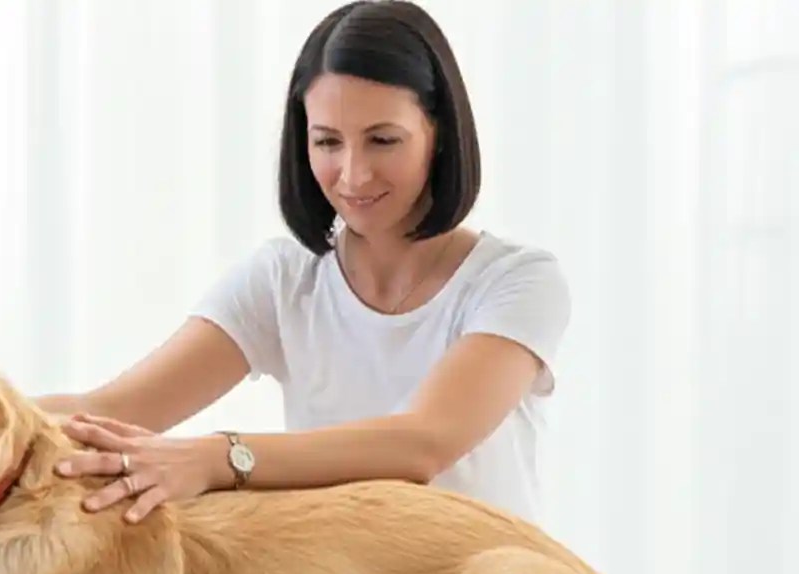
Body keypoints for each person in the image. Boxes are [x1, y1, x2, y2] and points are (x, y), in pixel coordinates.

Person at [36, 0, 570, 527]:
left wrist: (220, 457)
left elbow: (423, 443)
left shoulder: (516, 281)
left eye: (383, 140)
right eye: (328, 142)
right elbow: (114, 409)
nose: (353, 175)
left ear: (440, 135)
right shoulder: (285, 280)